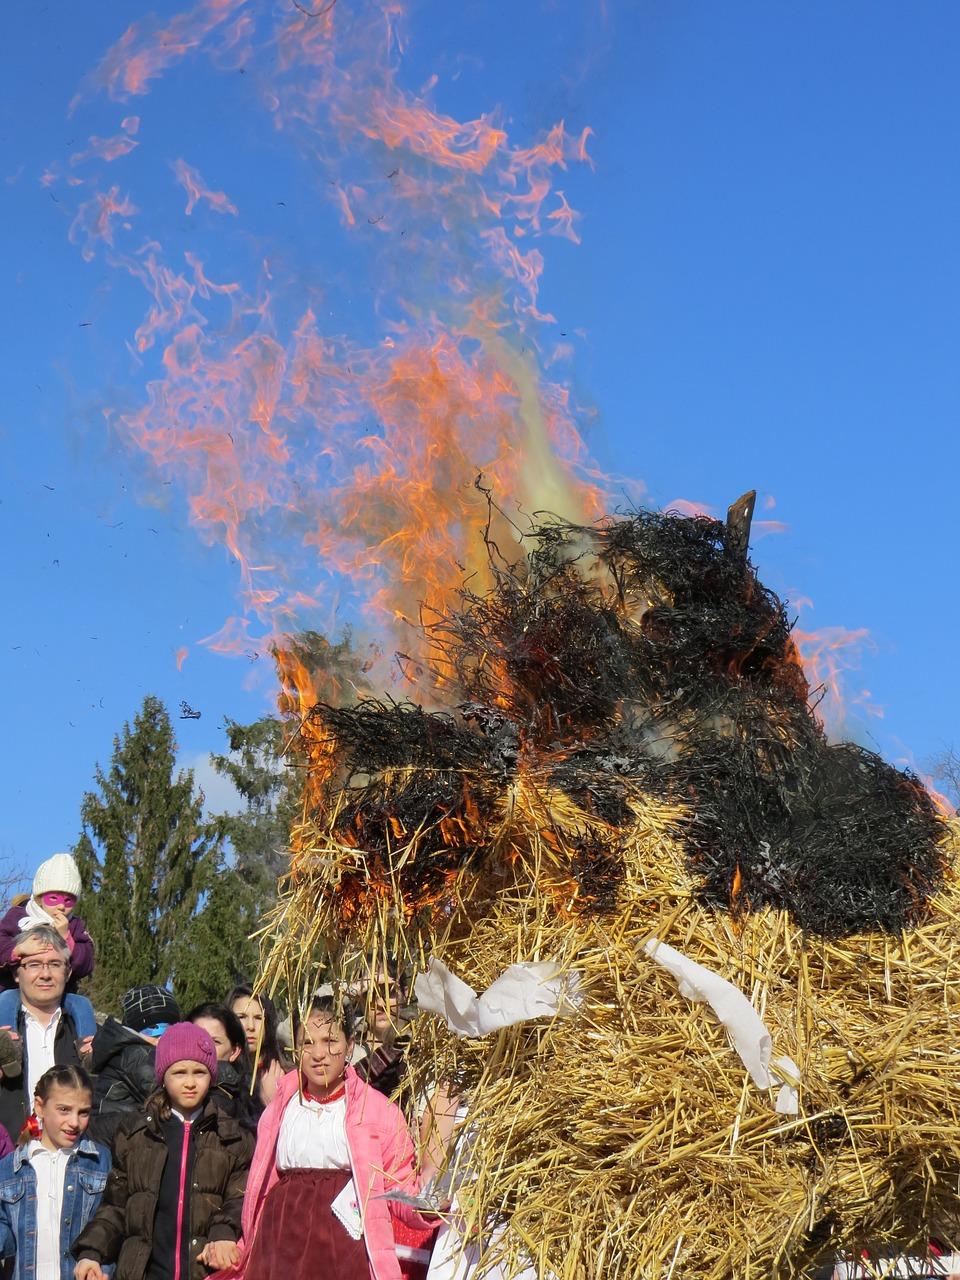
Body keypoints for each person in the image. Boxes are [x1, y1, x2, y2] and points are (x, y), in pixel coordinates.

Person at [226, 996, 439, 1280]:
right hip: (278, 1243)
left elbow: (398, 1186)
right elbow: (260, 1188)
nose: (318, 1054)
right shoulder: (280, 1108)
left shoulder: (376, 1111)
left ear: (349, 1045)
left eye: (330, 1041)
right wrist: (244, 1245)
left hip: (343, 1250)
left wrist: (429, 1204)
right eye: (307, 1043)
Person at [71, 1022, 253, 1280]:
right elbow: (116, 1205)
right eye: (179, 1072)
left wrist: (224, 1232)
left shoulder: (232, 1137)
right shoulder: (136, 1135)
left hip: (206, 1271)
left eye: (199, 1072)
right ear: (163, 1077)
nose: (190, 1082)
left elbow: (240, 1197)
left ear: (211, 1076)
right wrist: (92, 1251)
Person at [0, 1065, 110, 1280]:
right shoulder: (9, 1168)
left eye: (83, 1112)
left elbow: (109, 1226)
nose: (74, 1122)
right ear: (40, 1107)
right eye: (64, 1110)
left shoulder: (100, 1161)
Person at [0, 929, 90, 1148]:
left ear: (68, 972)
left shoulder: (88, 1032)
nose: (45, 974)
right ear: (16, 973)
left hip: (75, 1164)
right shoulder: (3, 1030)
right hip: (9, 1163)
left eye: (55, 964)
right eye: (33, 964)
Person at [86, 985, 181, 1148]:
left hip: (113, 1129)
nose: (162, 1039)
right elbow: (165, 1091)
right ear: (136, 1031)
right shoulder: (137, 1054)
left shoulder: (126, 1049)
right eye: (155, 1032)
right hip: (113, 1131)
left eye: (170, 1032)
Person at [0, 856, 94, 994]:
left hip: (59, 994)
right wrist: (18, 949)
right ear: (39, 898)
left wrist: (66, 939)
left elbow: (86, 963)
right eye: (53, 899)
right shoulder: (19, 916)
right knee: (5, 1003)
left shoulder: (75, 925)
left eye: (68, 901)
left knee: (81, 1006)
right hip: (13, 988)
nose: (61, 906)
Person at [187, 1004, 259, 1131]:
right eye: (195, 1039)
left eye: (214, 1042)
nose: (202, 1048)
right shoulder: (165, 1093)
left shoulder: (243, 1106)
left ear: (234, 1051)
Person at [225, 986, 286, 1109]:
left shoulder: (285, 1074)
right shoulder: (217, 1076)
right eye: (242, 1017)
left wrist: (274, 1103)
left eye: (258, 1018)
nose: (251, 1026)